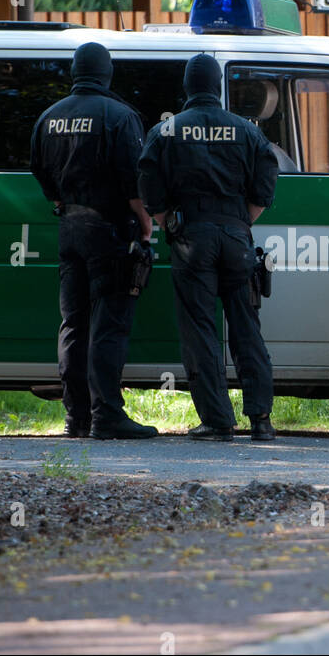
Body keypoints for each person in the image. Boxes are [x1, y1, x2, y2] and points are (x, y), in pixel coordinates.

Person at [138, 54, 278, 442]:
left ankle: (218, 421)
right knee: (247, 328)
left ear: (187, 86)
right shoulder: (247, 131)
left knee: (200, 330)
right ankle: (261, 420)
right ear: (218, 86)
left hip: (191, 240)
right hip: (236, 238)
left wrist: (169, 222)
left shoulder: (166, 131)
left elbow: (149, 185)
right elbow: (265, 188)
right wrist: (239, 223)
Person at [30, 41, 158, 441]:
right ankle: (107, 416)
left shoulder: (48, 117)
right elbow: (132, 178)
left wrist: (64, 202)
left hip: (69, 227)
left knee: (74, 323)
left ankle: (77, 417)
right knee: (109, 323)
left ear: (75, 72)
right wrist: (145, 220)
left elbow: (41, 172)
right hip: (110, 230)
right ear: (107, 74)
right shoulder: (118, 116)